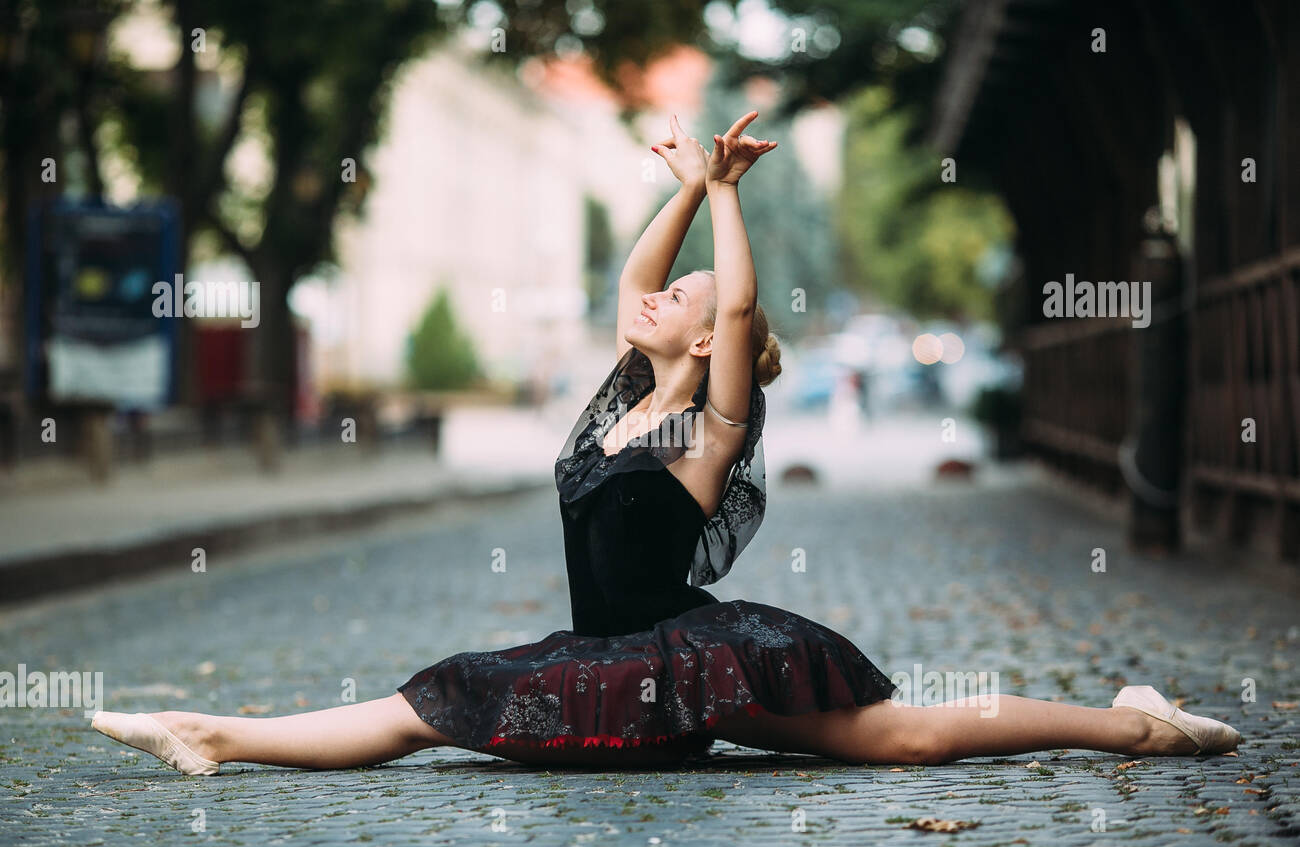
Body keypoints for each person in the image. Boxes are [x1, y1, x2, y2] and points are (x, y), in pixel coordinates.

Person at [91, 112, 1241, 776]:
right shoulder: (621, 402)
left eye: (679, 299)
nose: (655, 298)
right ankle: (212, 733)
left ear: (704, 334)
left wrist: (729, 200)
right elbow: (642, 281)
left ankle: (1138, 724)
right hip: (605, 656)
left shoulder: (709, 428)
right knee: (427, 699)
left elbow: (732, 314)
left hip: (694, 659)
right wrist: (688, 190)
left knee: (907, 735)